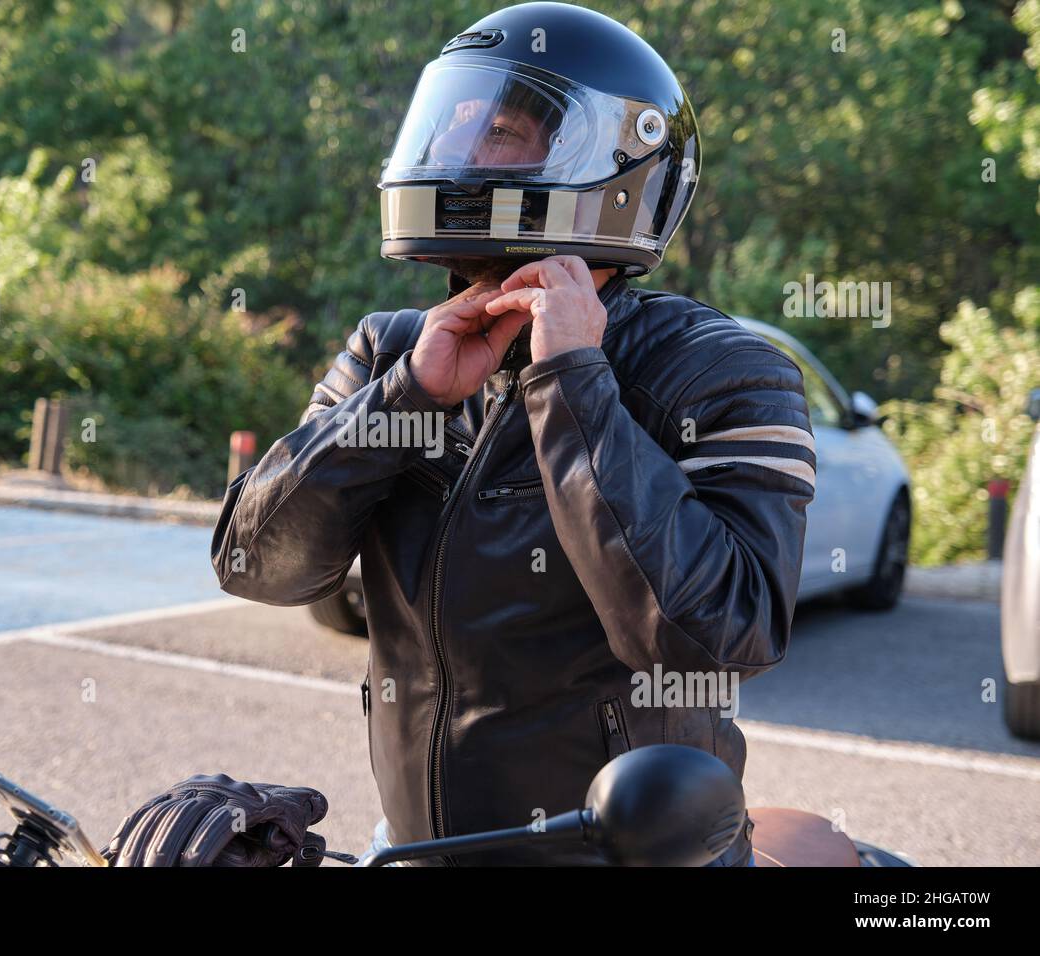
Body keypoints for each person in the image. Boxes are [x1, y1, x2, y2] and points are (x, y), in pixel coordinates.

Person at [209, 1, 815, 866]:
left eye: (493, 127)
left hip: (623, 854)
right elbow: (254, 566)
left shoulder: (722, 371)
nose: (452, 150)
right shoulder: (391, 350)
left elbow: (718, 637)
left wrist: (571, 384)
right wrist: (406, 397)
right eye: (448, 120)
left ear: (611, 166)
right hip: (413, 850)